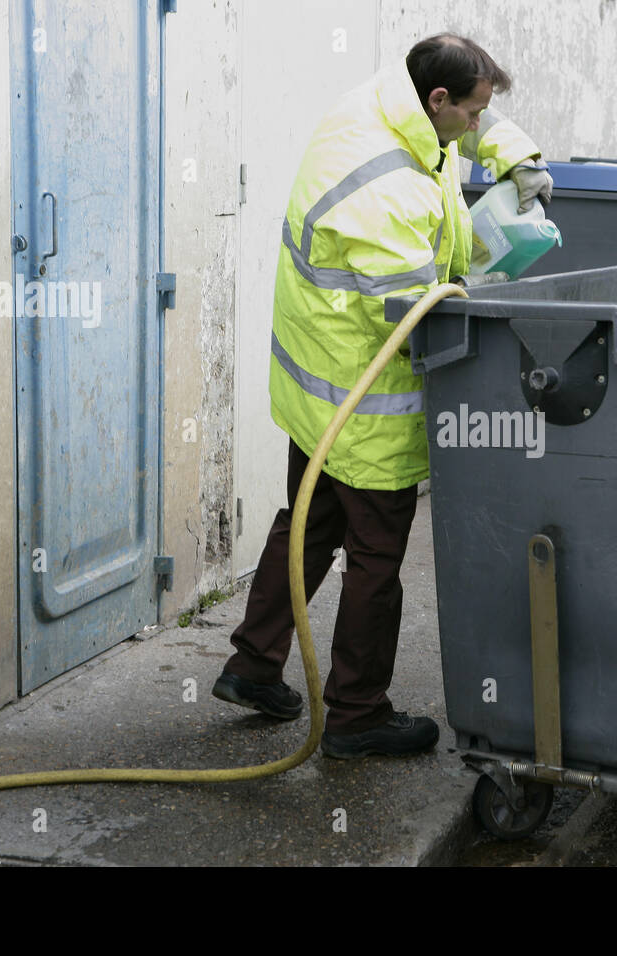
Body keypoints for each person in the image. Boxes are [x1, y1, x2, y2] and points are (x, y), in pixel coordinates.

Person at [212, 34, 552, 758]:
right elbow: (412, 314)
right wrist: (479, 294)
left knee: (306, 524)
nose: (473, 125)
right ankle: (358, 714)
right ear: (439, 101)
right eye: (469, 113)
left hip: (317, 379)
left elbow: (472, 126)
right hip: (365, 394)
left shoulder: (382, 102)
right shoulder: (385, 190)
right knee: (375, 555)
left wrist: (518, 159)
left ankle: (252, 665)